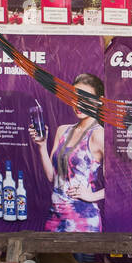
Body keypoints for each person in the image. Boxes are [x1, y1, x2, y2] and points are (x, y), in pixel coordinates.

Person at [30, 73, 105, 238]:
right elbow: (51, 176)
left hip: (83, 222)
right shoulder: (62, 130)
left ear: (99, 101)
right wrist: (42, 145)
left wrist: (92, 195)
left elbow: (121, 184)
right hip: (55, 218)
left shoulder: (99, 135)